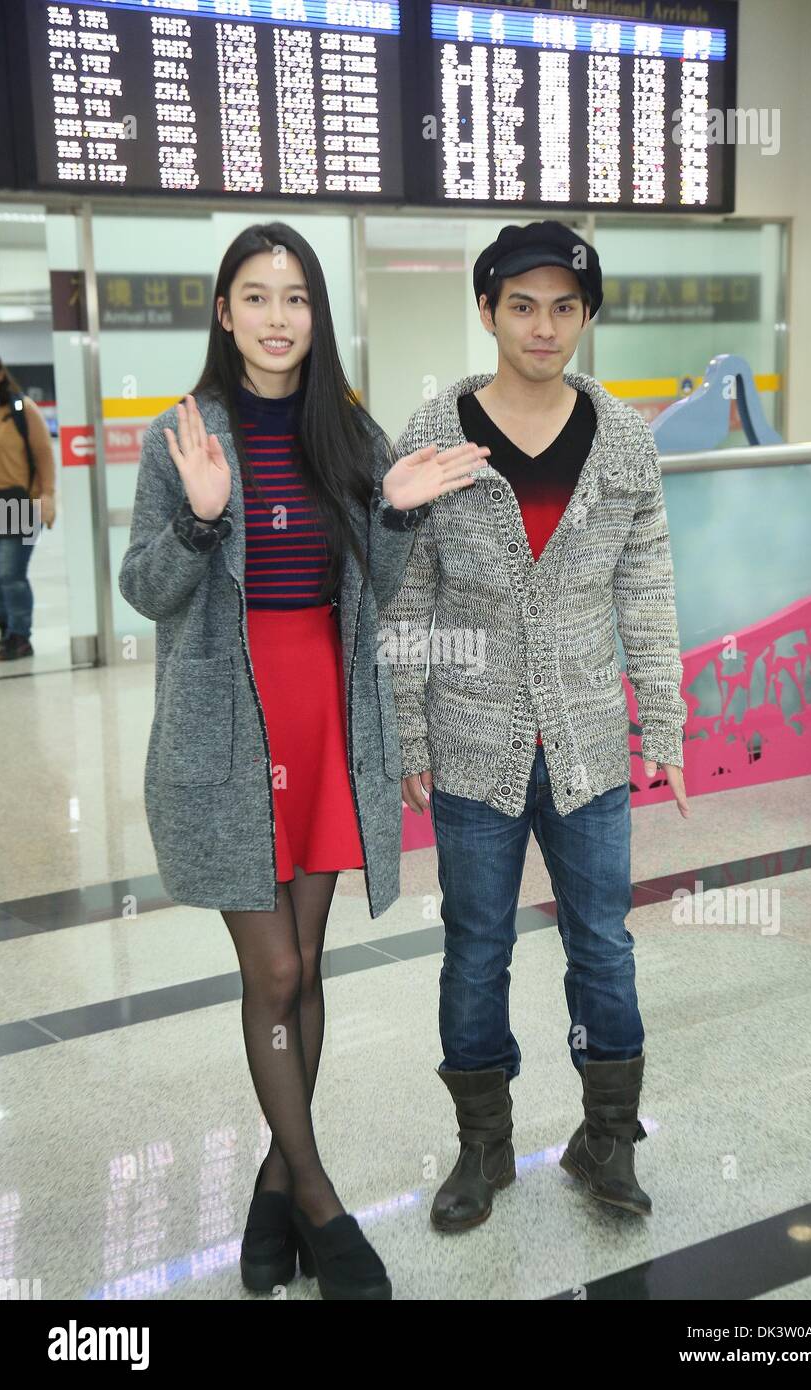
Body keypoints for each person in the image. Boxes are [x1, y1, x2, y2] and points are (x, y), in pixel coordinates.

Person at [118, 222, 487, 1299]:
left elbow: (373, 576)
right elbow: (145, 587)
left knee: (306, 968)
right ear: (223, 310)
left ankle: (274, 1187)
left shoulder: (347, 429)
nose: (278, 318)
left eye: (297, 298)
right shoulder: (184, 433)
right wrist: (196, 522)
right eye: (256, 296)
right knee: (273, 970)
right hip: (231, 721)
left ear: (315, 316)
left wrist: (396, 511)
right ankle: (318, 1197)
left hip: (328, 711)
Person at [378, 221, 690, 1233]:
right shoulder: (433, 434)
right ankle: (482, 1144)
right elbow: (403, 600)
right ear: (485, 310)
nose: (542, 325)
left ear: (585, 317)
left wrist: (663, 726)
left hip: (590, 741)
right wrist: (408, 736)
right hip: (472, 745)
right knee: (475, 948)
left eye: (563, 306)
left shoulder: (626, 440)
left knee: (601, 944)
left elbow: (644, 592)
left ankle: (607, 1136)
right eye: (521, 304)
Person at [0, 354, 56, 661]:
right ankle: (7, 632)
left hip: (17, 501)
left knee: (11, 573)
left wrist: (47, 496)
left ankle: (20, 636)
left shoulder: (21, 409)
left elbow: (44, 455)